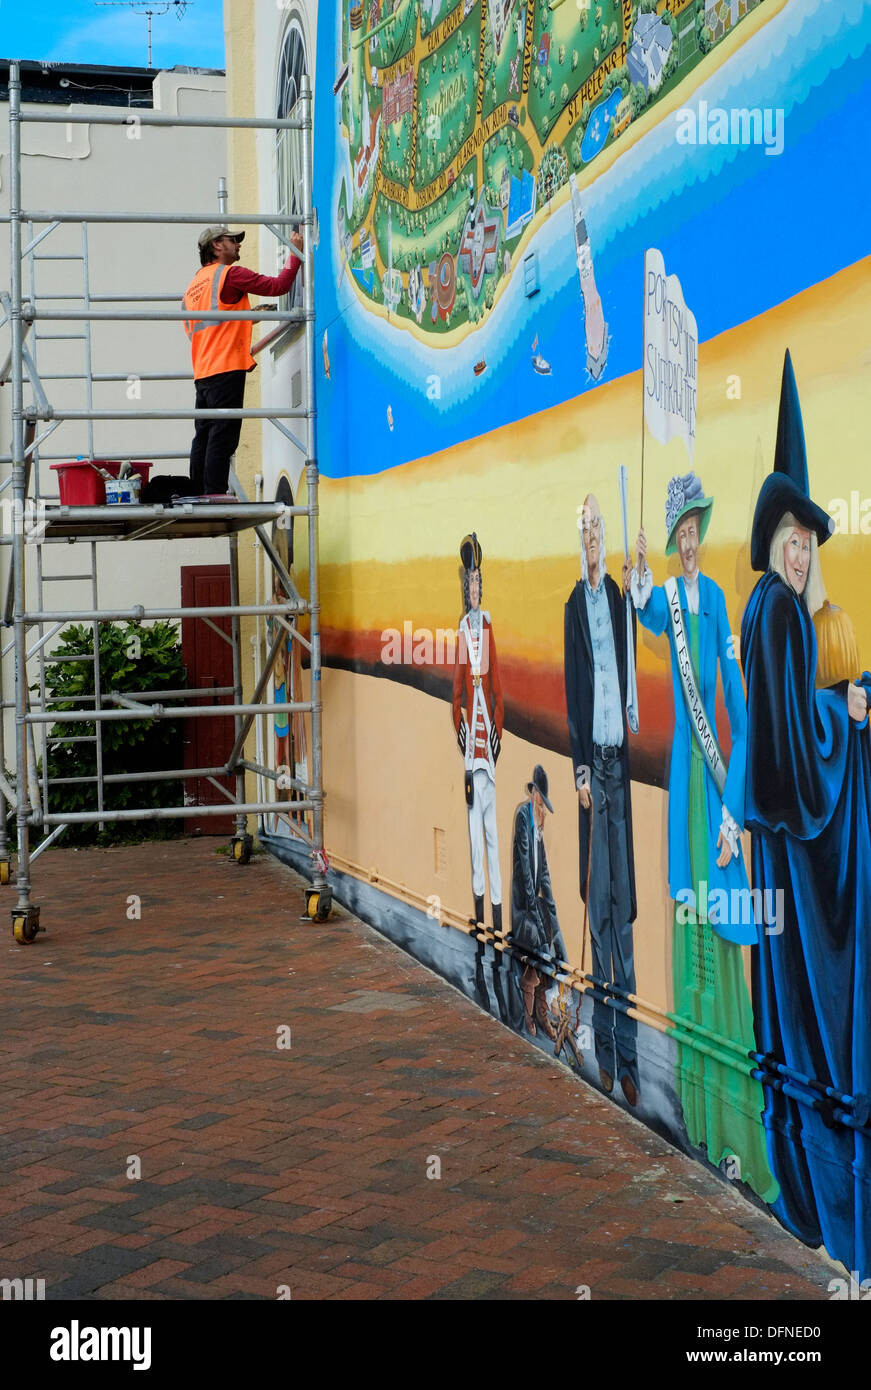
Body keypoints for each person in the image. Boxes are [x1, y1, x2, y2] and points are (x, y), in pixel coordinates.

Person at [742, 349, 871, 1276]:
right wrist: (847, 711)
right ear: (770, 541)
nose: (801, 550)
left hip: (774, 833)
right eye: (791, 537)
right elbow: (794, 729)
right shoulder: (778, 615)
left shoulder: (764, 609)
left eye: (808, 539)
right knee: (820, 995)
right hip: (802, 832)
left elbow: (778, 726)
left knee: (786, 1005)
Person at [630, 473, 778, 1201]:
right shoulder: (669, 601)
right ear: (670, 539)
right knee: (690, 925)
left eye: (694, 526)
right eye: (678, 530)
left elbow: (740, 718)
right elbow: (647, 615)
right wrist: (633, 583)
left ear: (702, 530)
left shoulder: (717, 602)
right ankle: (696, 1107)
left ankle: (735, 1120)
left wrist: (731, 814)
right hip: (682, 793)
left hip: (714, 793)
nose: (687, 539)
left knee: (722, 933)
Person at [563, 494, 639, 1106]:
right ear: (577, 541)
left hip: (622, 772)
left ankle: (631, 1054)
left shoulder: (616, 597)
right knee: (601, 906)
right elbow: (571, 689)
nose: (592, 541)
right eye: (584, 531)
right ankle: (606, 1051)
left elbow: (639, 629)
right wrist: (579, 771)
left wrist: (640, 574)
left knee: (625, 907)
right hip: (596, 775)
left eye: (598, 531)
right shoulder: (574, 606)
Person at [183, 225, 303, 495]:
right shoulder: (231, 274)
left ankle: (198, 494)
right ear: (216, 246)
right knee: (222, 437)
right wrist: (295, 252)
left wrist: (249, 316)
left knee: (203, 436)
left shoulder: (192, 288)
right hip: (227, 369)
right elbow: (278, 286)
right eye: (232, 240)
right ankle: (214, 494)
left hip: (203, 372)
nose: (238, 245)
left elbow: (210, 327)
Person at [452, 534, 503, 942]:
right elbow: (457, 692)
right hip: (471, 754)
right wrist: (460, 724)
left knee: (492, 839)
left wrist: (497, 730)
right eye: (469, 582)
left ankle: (499, 922)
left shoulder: (487, 627)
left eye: (478, 582)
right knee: (473, 842)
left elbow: (498, 689)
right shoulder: (462, 631)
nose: (474, 588)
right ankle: (480, 918)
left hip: (489, 753)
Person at [509, 765, 567, 1039]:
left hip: (536, 904)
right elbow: (525, 872)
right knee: (538, 946)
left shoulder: (538, 823)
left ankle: (542, 1014)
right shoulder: (523, 816)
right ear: (534, 794)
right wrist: (535, 911)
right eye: (540, 798)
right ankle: (530, 1016)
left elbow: (542, 870)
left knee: (551, 943)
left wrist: (551, 905)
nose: (541, 804)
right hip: (523, 907)